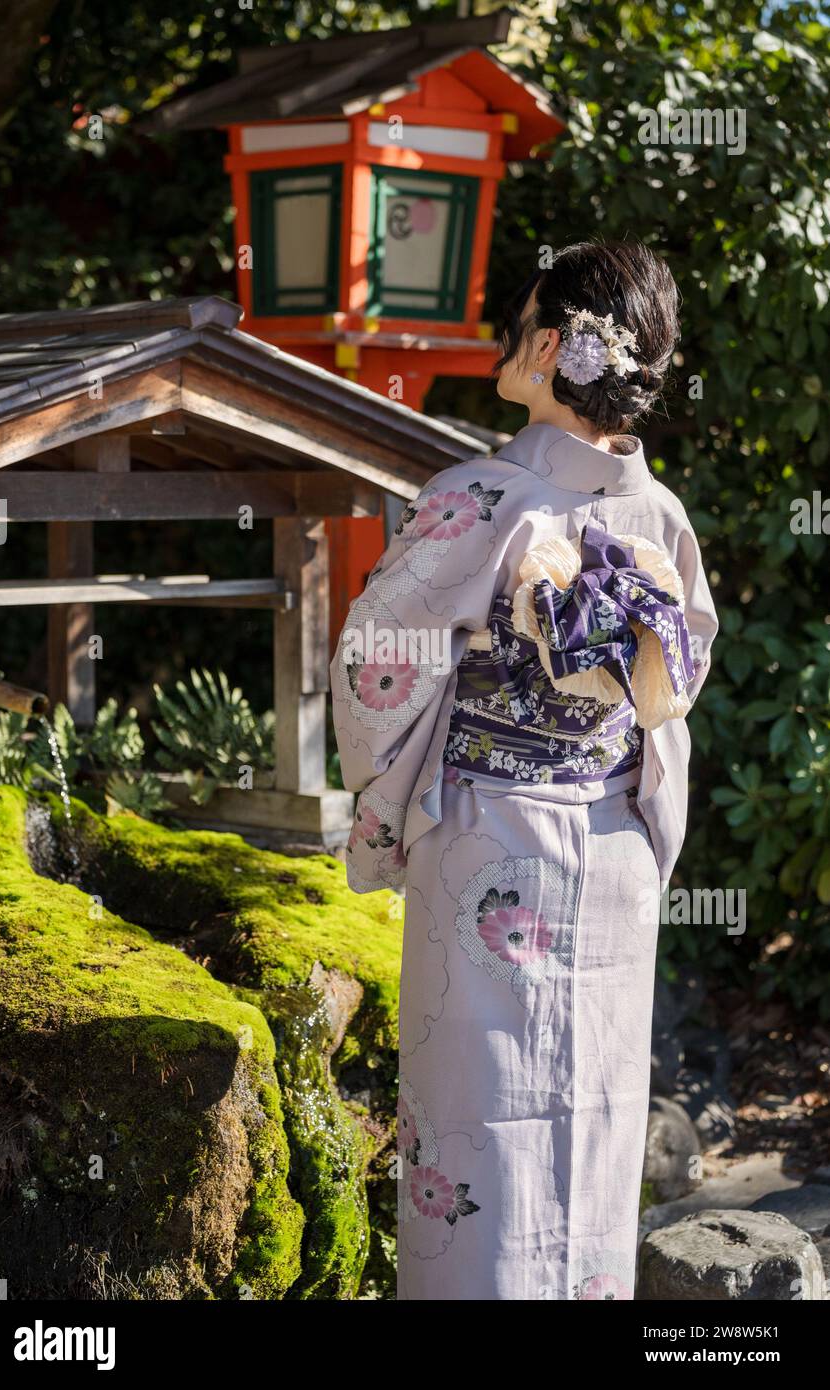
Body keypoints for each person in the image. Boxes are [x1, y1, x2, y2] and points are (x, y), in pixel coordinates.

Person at [329, 240, 719, 1301]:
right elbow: (662, 711)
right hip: (611, 850)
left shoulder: (477, 496)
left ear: (549, 347)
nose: (508, 329)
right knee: (588, 1117)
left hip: (491, 844)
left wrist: (385, 808)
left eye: (521, 316)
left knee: (474, 1125)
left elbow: (376, 669)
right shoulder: (662, 519)